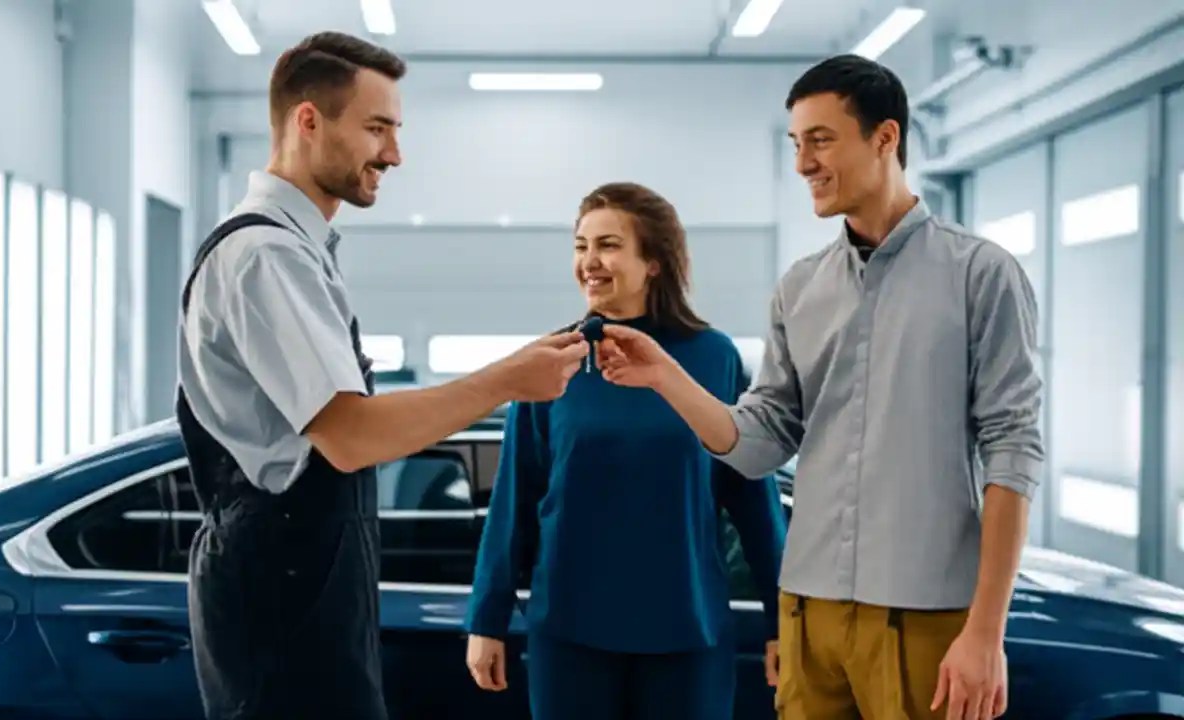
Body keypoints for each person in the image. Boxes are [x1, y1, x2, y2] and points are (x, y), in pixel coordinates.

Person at [595, 55, 1043, 720]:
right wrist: (664, 375)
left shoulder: (981, 274)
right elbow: (760, 442)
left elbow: (1013, 449)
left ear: (885, 137)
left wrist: (985, 630)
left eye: (821, 139)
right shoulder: (800, 287)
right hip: (810, 612)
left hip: (924, 613)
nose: (803, 162)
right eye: (796, 144)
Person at [174, 31, 590, 720]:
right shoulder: (266, 257)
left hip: (299, 590)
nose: (394, 154)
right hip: (281, 606)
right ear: (308, 121)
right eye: (377, 129)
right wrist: (508, 379)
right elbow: (350, 435)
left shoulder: (291, 251)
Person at [463, 182, 787, 720]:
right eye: (580, 246)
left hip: (688, 633)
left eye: (608, 245)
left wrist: (783, 621)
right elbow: (514, 501)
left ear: (654, 261)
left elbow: (754, 497)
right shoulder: (551, 360)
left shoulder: (712, 357)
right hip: (569, 633)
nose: (590, 261)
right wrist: (486, 618)